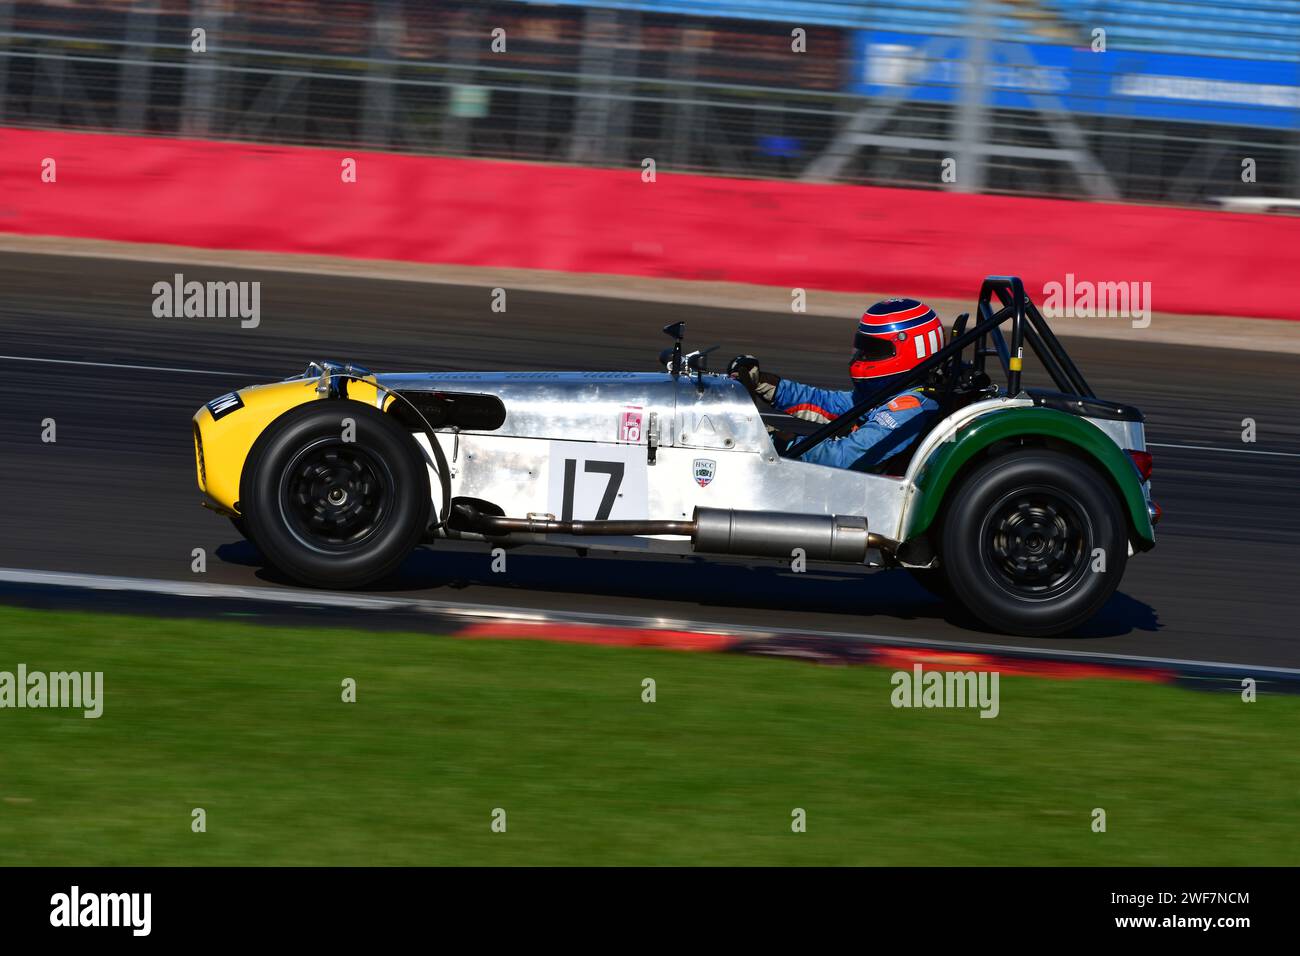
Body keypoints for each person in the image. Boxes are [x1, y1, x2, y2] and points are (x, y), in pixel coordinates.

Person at [730, 298, 945, 471]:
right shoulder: (892, 393)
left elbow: (841, 457)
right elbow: (829, 404)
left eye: (873, 350)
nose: (862, 358)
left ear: (910, 351)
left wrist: (774, 441)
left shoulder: (910, 408)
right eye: (862, 349)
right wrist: (769, 385)